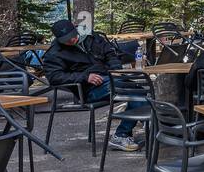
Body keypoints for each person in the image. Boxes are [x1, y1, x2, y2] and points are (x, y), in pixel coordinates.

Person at [41, 19, 139, 153]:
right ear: (58, 39)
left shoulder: (91, 37)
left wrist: (115, 70)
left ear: (75, 29)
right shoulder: (54, 53)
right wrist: (85, 77)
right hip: (88, 90)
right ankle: (121, 135)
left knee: (139, 88)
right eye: (66, 40)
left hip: (110, 78)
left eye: (72, 36)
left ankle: (131, 132)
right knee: (133, 89)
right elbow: (54, 77)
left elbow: (110, 53)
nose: (71, 40)